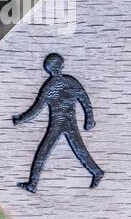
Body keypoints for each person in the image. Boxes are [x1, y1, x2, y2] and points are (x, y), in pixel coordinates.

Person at [12, 53, 104, 192]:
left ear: (48, 68)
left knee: (44, 152)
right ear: (61, 65)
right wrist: (89, 119)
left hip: (58, 124)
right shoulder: (70, 82)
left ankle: (33, 184)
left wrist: (20, 119)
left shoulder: (50, 87)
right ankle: (96, 172)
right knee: (78, 150)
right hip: (67, 123)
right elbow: (85, 101)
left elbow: (36, 109)